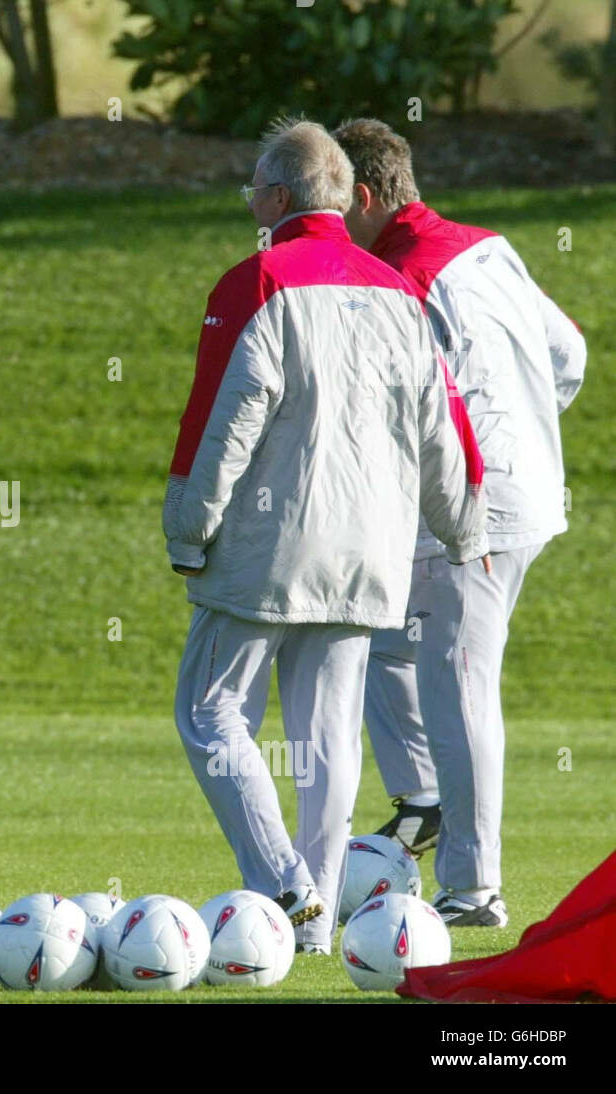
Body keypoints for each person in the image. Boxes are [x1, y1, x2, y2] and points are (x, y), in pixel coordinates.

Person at [163, 117, 487, 954]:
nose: (250, 208)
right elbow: (441, 430)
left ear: (278, 196)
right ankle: (308, 920)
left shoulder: (258, 279)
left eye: (253, 195)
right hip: (372, 548)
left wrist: (188, 527)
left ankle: (285, 889)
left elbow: (220, 423)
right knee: (327, 733)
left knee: (209, 710)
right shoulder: (402, 291)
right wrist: (462, 529)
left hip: (268, 548)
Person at [332, 118, 586, 927]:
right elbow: (568, 353)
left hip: (475, 512)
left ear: (365, 198)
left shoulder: (401, 277)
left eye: (335, 208)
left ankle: (475, 889)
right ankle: (428, 801)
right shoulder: (489, 245)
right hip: (518, 495)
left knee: (460, 686)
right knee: (376, 637)